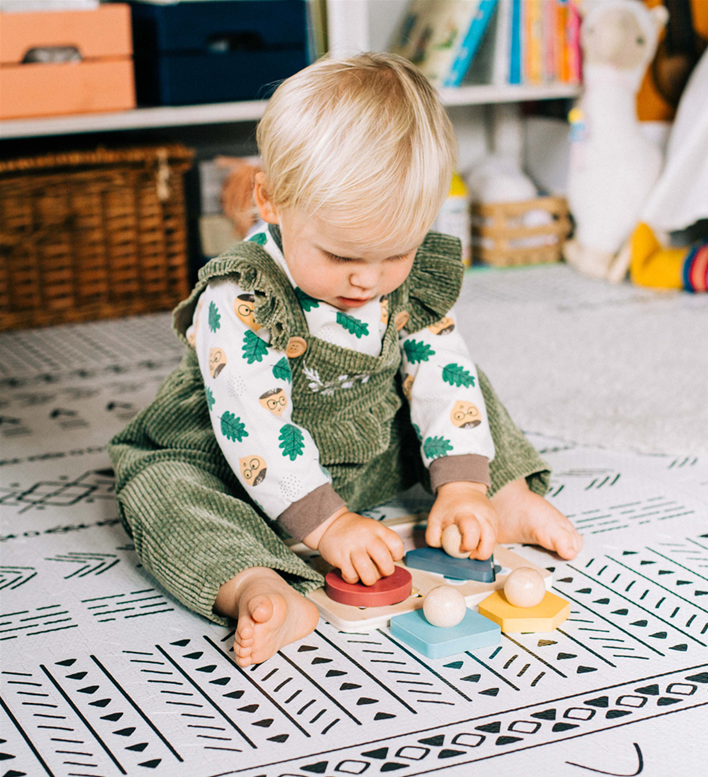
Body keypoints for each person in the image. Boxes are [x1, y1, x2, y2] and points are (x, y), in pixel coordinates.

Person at [108, 53, 583, 668]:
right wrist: (329, 526)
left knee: (459, 379)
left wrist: (462, 482)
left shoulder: (401, 282)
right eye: (339, 256)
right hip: (241, 458)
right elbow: (254, 422)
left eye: (396, 254)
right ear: (271, 201)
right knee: (163, 493)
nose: (368, 280)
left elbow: (442, 373)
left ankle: (504, 494)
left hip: (366, 445)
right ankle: (258, 584)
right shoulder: (243, 296)